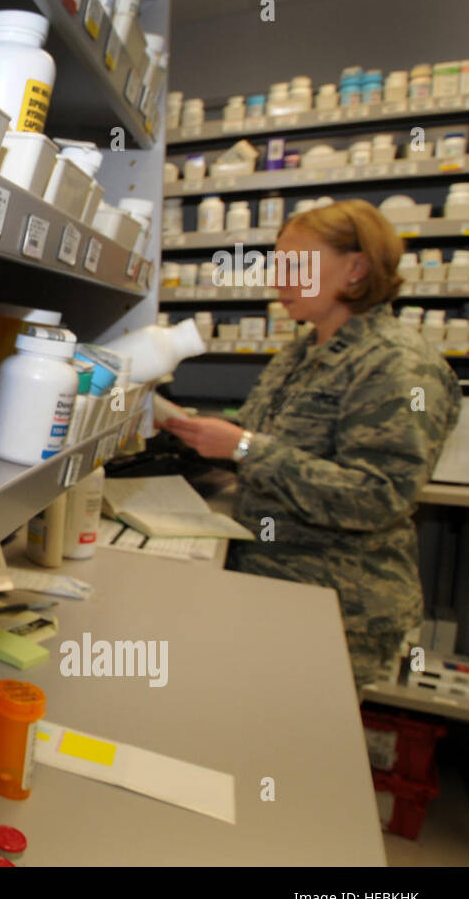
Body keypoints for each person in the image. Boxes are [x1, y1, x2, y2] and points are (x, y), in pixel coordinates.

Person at [164, 199, 461, 692]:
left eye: (295, 264)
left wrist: (243, 448)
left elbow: (379, 495)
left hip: (341, 609)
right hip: (275, 586)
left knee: (306, 751)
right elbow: (272, 441)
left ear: (356, 268)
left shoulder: (399, 366)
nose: (280, 279)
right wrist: (207, 436)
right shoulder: (304, 350)